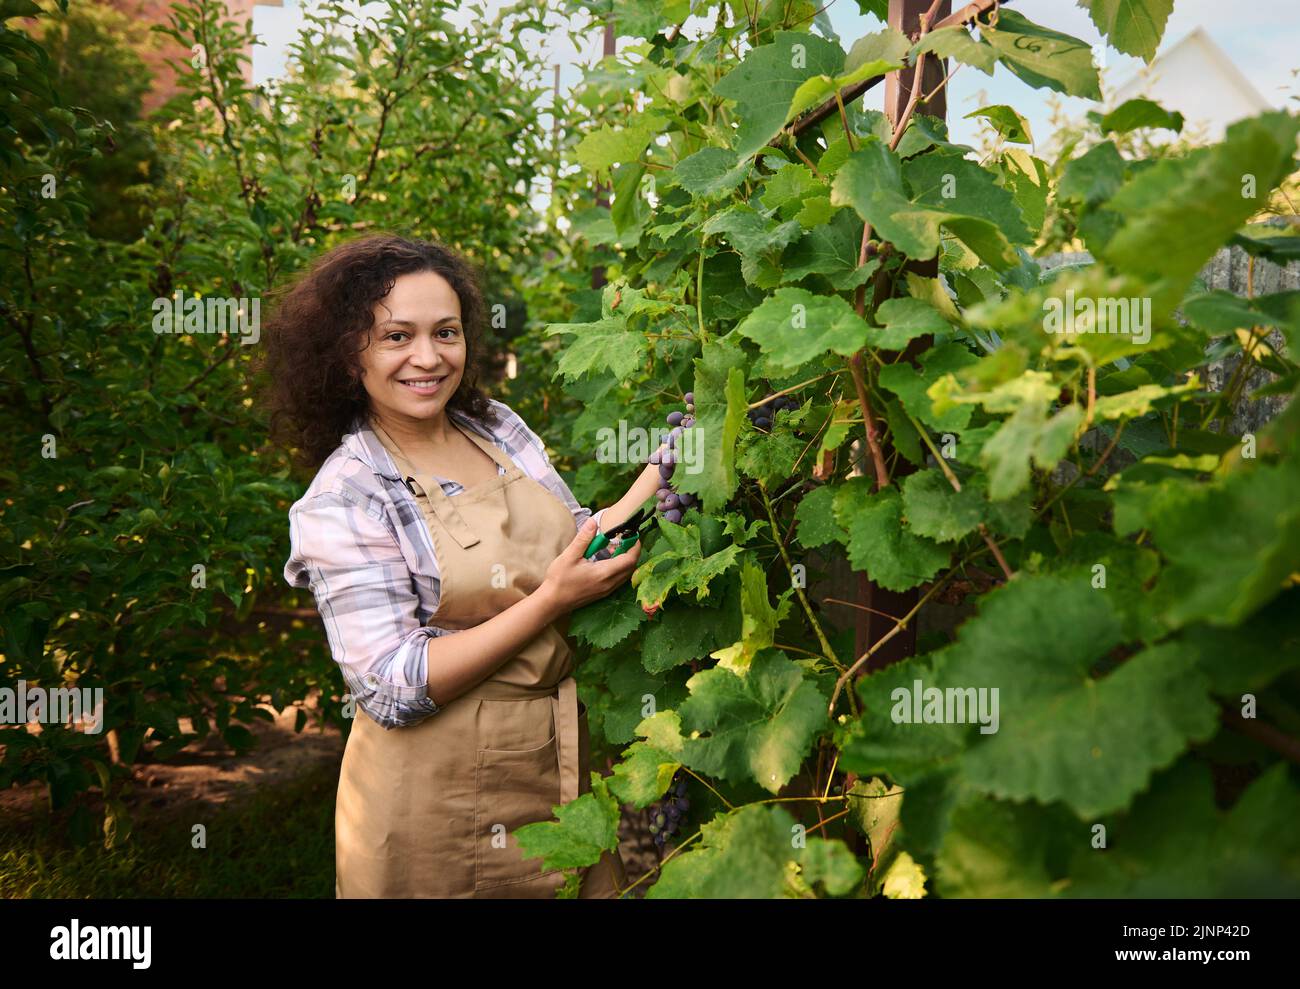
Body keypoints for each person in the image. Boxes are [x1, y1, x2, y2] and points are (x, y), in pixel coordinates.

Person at [263, 233, 664, 897]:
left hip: (551, 768)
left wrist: (669, 467)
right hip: (433, 801)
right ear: (348, 350)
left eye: (445, 332)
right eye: (397, 336)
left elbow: (575, 540)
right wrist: (550, 602)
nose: (428, 356)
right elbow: (393, 684)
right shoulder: (347, 493)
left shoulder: (496, 428)